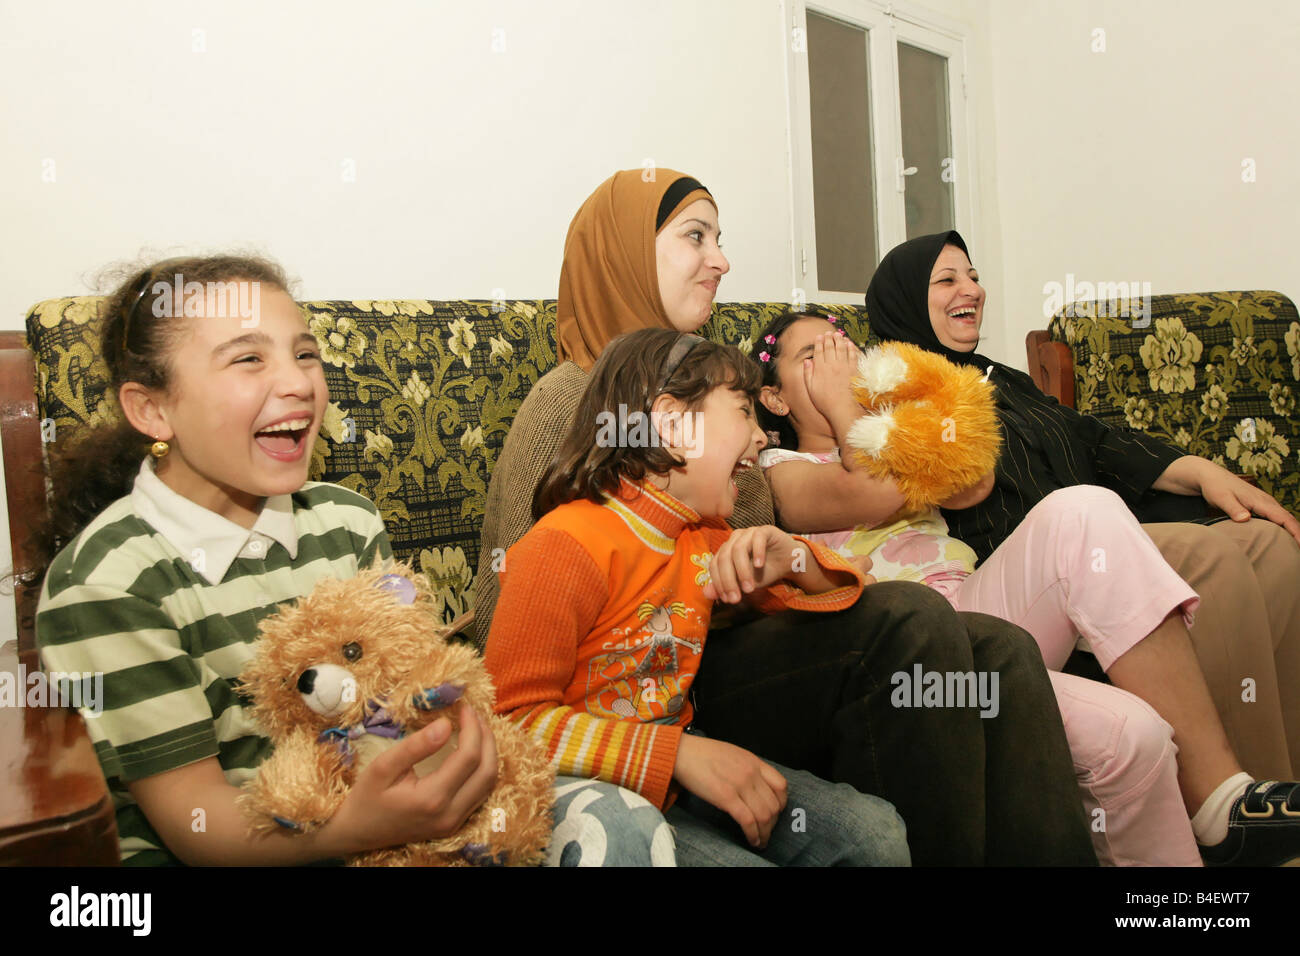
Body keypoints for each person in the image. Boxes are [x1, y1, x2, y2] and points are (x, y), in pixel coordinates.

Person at [474, 168, 1098, 865]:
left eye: (720, 239)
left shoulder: (714, 401)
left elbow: (756, 560)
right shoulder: (571, 400)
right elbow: (514, 640)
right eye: (695, 237)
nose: (721, 259)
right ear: (623, 251)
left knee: (1000, 653)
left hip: (720, 641)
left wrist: (782, 562)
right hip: (658, 687)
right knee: (911, 622)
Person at [29, 255, 672, 866]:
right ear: (152, 408)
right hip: (242, 852)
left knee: (618, 822)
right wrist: (361, 827)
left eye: (305, 353)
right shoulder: (109, 581)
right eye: (249, 359)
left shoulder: (347, 519)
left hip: (388, 817)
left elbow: (394, 693)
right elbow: (196, 823)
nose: (297, 382)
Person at [858, 231, 1300, 866]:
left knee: (1268, 546)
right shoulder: (898, 400)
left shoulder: (1000, 377)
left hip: (1104, 537)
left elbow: (1093, 438)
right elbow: (959, 487)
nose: (971, 290)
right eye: (946, 280)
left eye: (973, 275)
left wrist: (1201, 470)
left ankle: (1275, 787)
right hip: (1032, 569)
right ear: (904, 303)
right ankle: (1230, 806)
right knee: (1218, 562)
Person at [755, 310, 1206, 865]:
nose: (838, 361)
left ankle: (1217, 801)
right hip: (920, 654)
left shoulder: (894, 431)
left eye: (843, 347)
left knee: (1084, 508)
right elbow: (872, 490)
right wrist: (845, 406)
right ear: (774, 400)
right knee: (1134, 738)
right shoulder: (778, 468)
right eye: (813, 356)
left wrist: (890, 410)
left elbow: (974, 480)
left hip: (983, 616)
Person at [485, 328, 909, 865]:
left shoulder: (702, 539)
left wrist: (790, 560)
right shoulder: (564, 544)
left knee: (874, 836)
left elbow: (855, 590)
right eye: (743, 412)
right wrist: (677, 753)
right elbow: (508, 725)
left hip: (673, 785)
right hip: (579, 795)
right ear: (672, 422)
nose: (762, 436)